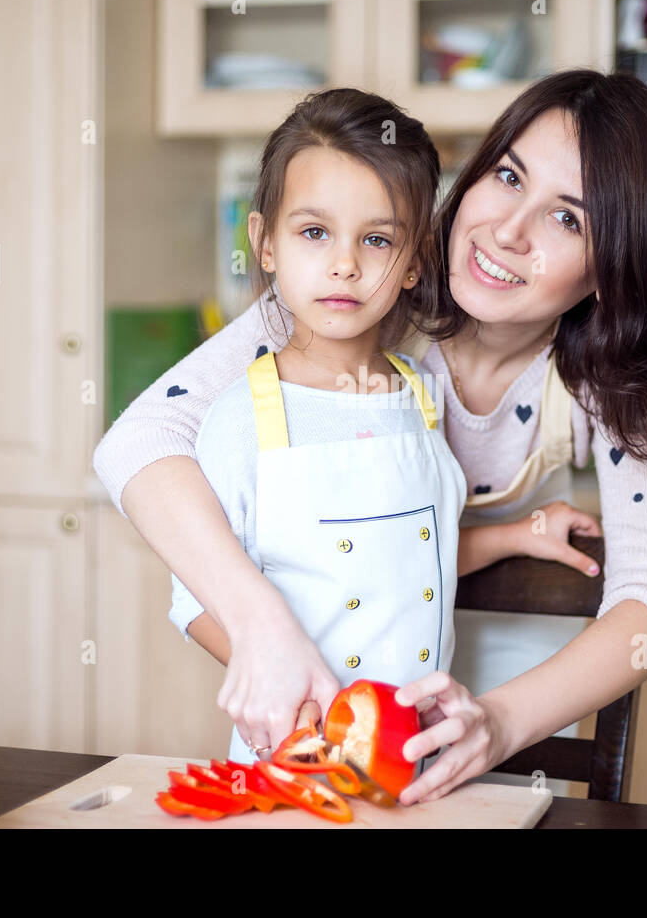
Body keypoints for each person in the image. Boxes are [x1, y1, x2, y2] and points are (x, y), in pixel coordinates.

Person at [94, 70, 647, 805]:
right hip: (328, 681)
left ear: (615, 265)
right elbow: (139, 440)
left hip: (506, 685)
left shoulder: (619, 377)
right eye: (509, 176)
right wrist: (268, 633)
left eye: (568, 219)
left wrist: (501, 719)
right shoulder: (356, 296)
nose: (508, 231)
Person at [157, 87, 600, 769]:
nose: (344, 263)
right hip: (293, 756)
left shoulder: (422, 395)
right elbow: (193, 599)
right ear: (265, 244)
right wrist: (289, 683)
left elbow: (414, 553)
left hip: (415, 755)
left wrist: (519, 534)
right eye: (314, 233)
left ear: (417, 259)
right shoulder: (241, 415)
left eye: (377, 239)